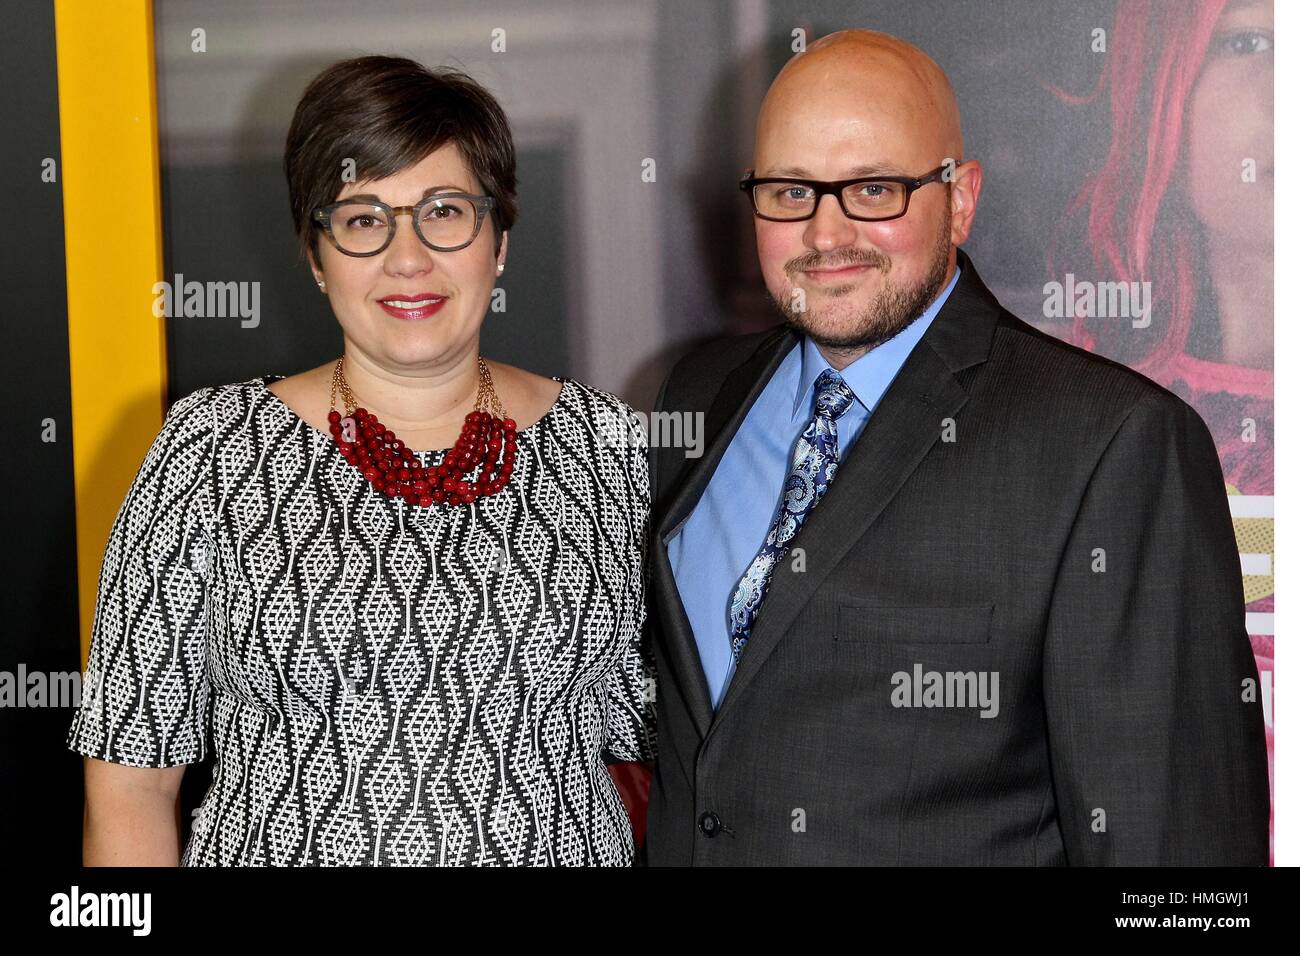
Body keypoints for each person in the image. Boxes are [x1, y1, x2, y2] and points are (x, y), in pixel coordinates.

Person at [644, 29, 1269, 865]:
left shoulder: (1113, 445)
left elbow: (1175, 855)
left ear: (961, 200)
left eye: (872, 189)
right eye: (792, 191)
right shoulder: (698, 396)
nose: (826, 234)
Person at [66, 56, 655, 866]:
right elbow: (130, 784)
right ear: (316, 254)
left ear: (500, 241)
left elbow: (652, 734)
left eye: (445, 211)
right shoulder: (207, 450)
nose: (407, 258)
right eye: (363, 218)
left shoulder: (606, 445)